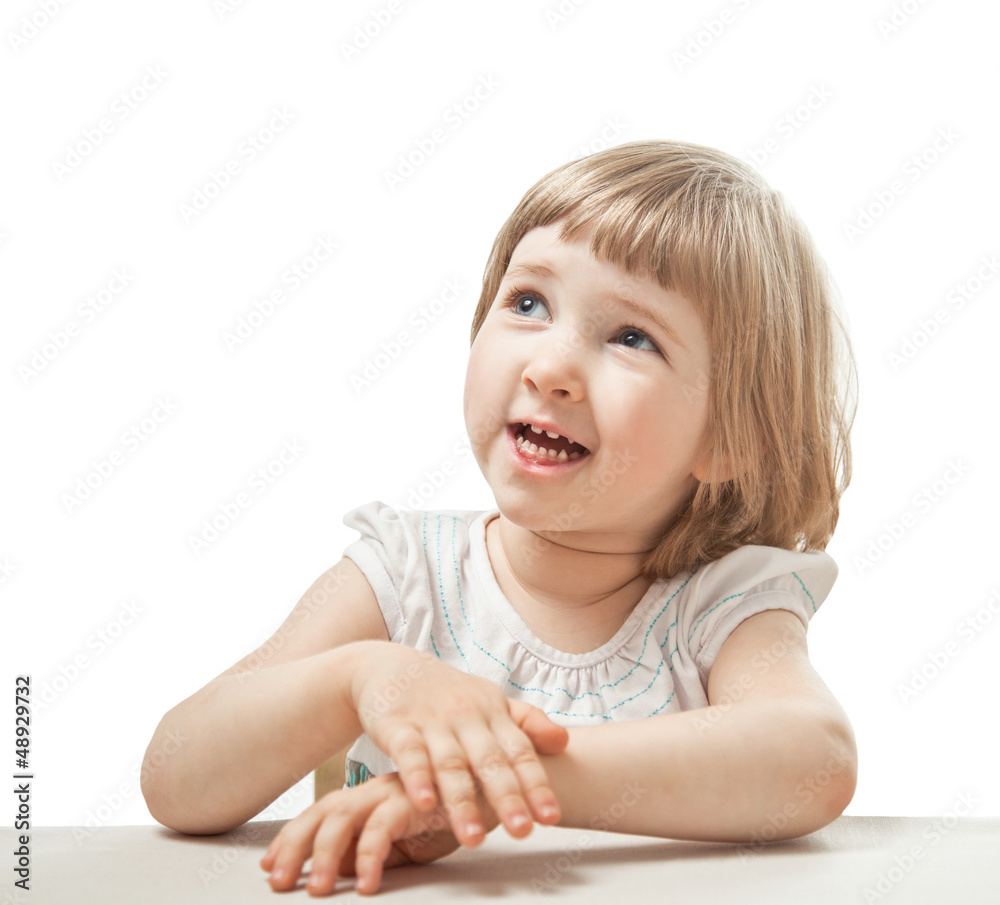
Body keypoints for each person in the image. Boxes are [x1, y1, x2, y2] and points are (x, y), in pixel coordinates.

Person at [141, 139, 859, 897]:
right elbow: (175, 776)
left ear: (726, 438)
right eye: (528, 303)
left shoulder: (719, 608)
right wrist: (358, 677)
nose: (549, 368)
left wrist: (493, 779)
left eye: (631, 337)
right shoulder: (405, 578)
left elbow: (813, 758)